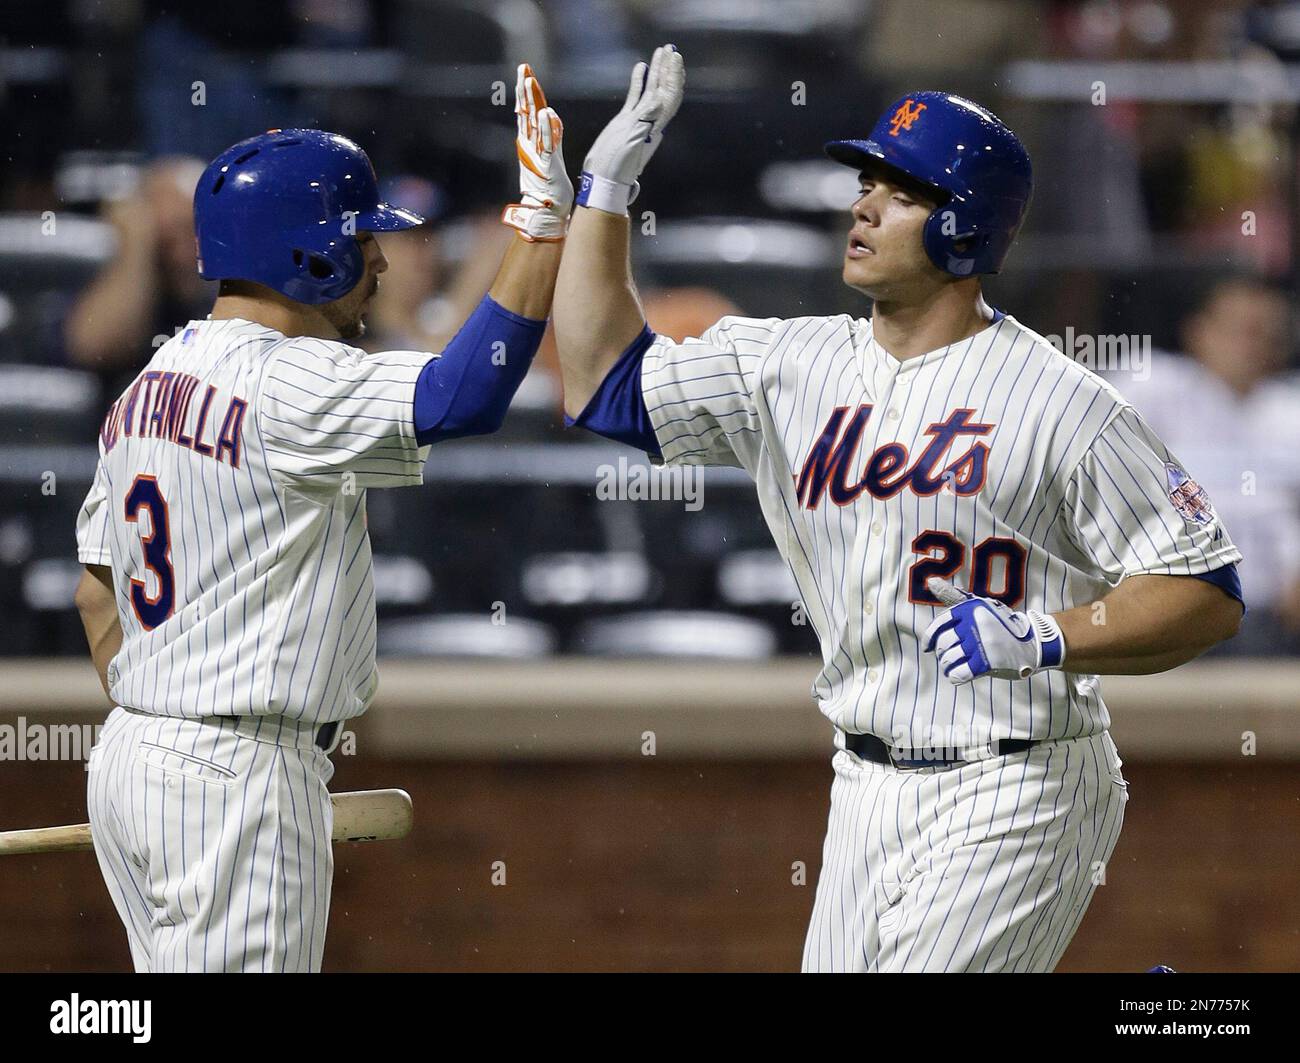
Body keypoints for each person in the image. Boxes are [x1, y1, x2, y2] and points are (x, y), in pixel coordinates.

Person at [552, 50, 1244, 972]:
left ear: (963, 226)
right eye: (866, 182)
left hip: (1020, 774)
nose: (862, 206)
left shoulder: (1062, 401)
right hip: (864, 779)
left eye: (900, 191)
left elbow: (1206, 586)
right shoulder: (788, 363)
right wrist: (604, 192)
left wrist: (1052, 637)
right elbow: (602, 383)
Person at [72, 66, 573, 972]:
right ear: (310, 255)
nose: (378, 262)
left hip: (133, 759)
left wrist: (162, 737)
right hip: (238, 774)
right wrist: (542, 221)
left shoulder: (146, 385)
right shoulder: (291, 379)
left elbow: (94, 594)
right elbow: (468, 391)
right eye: (363, 240)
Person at [1113, 277, 1300, 654]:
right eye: (1243, 331)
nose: (1255, 345)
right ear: (1199, 332)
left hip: (1272, 615)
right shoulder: (1157, 383)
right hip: (1173, 598)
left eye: (1267, 333)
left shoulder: (1288, 407)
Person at [64, 158, 214, 400]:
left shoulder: (230, 294)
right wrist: (136, 246)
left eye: (194, 233)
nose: (184, 254)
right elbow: (97, 347)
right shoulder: (113, 279)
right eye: (169, 240)